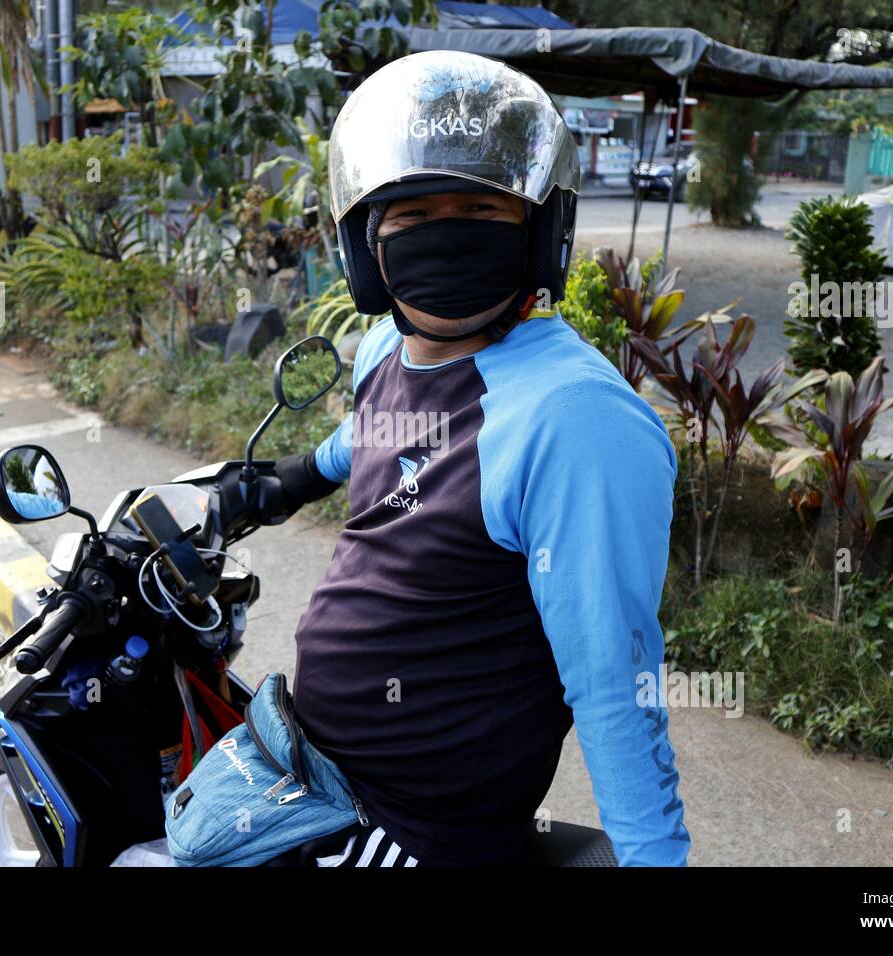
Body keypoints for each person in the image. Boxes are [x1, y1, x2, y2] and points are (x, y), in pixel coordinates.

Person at [268, 51, 689, 867]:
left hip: (414, 828)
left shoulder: (576, 421)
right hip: (317, 767)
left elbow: (615, 684)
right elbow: (373, 437)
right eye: (414, 215)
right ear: (366, 243)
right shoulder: (385, 348)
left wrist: (656, 860)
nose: (447, 233)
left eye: (480, 210)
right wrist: (281, 480)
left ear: (538, 234)